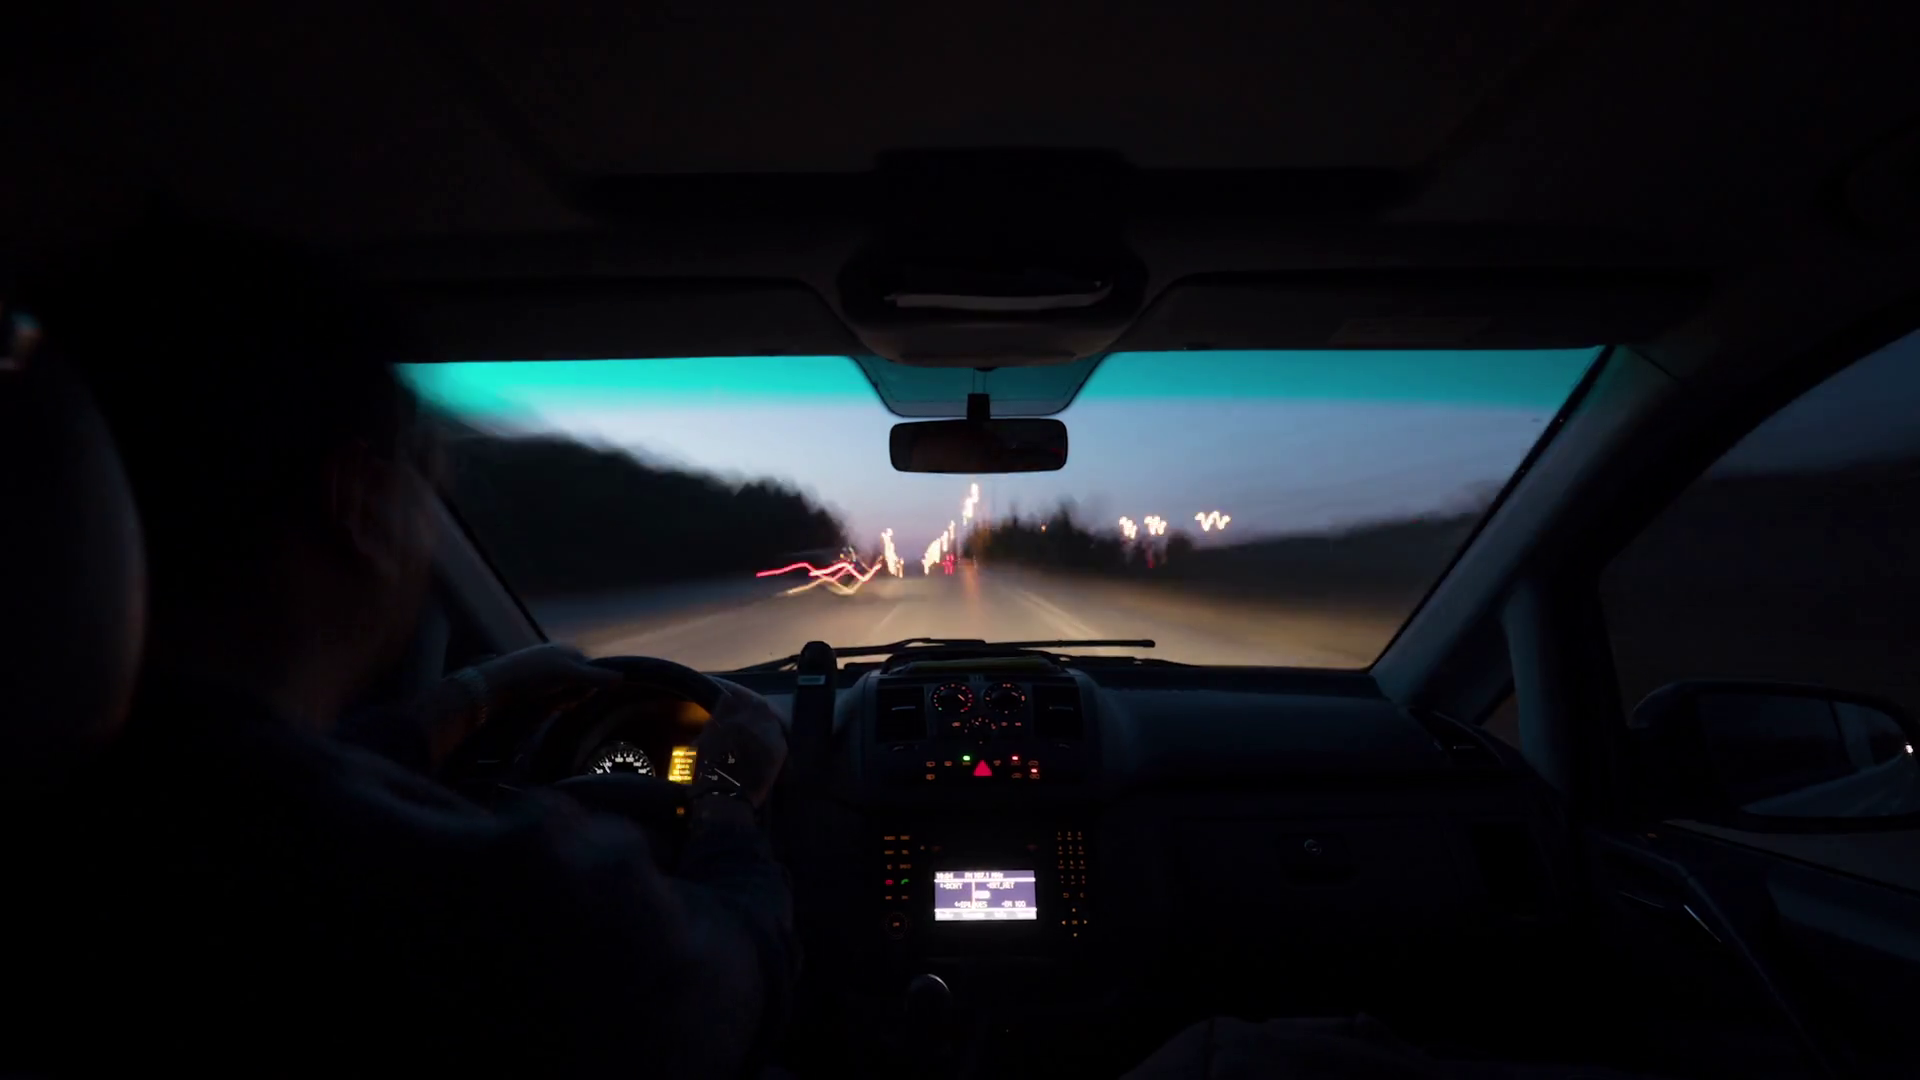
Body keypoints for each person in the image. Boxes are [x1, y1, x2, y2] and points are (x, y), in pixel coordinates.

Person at [13, 219, 797, 1077]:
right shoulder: (500, 907)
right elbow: (732, 983)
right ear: (360, 504)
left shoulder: (88, 816)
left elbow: (256, 771)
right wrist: (726, 795)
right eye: (427, 489)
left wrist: (474, 697)